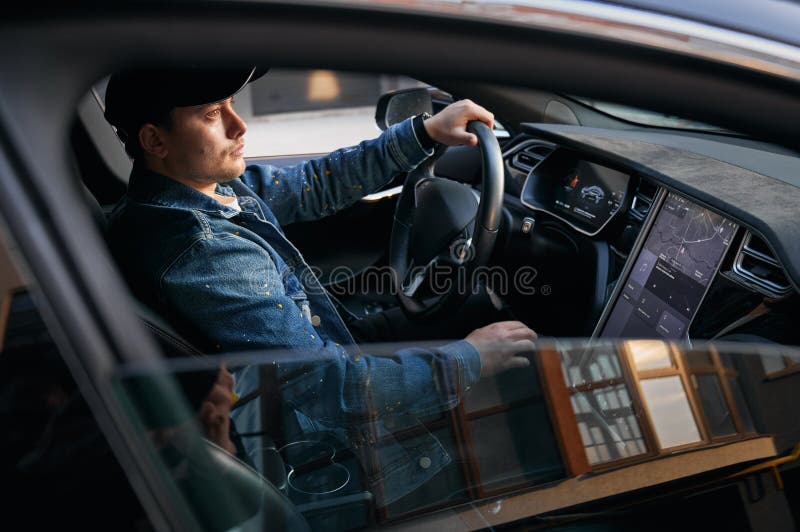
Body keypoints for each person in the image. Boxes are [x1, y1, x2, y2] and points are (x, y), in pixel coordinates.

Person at [104, 66, 537, 504]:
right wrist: (470, 360)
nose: (240, 126)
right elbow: (335, 390)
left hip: (330, 352)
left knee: (473, 311)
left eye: (233, 106)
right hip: (345, 460)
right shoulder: (208, 254)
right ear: (155, 141)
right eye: (214, 114)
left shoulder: (198, 190)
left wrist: (423, 133)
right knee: (525, 440)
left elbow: (312, 185)